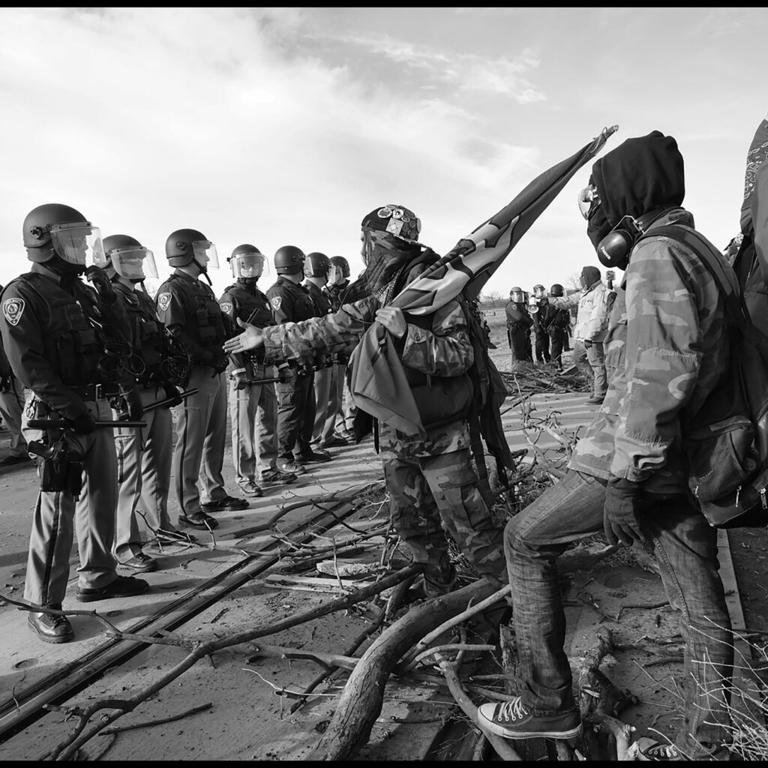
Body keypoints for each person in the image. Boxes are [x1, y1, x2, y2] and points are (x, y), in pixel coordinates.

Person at [475, 131, 734, 761]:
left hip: (636, 456)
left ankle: (547, 703)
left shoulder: (656, 254)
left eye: (598, 205)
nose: (595, 223)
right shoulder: (698, 247)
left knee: (524, 540)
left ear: (626, 201)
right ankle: (709, 744)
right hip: (680, 456)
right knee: (697, 597)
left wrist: (626, 479)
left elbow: (658, 373)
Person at [224, 203, 507, 597]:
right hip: (397, 433)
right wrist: (267, 339)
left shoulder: (436, 289)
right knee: (414, 528)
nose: (362, 251)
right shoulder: (385, 292)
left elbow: (460, 357)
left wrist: (408, 334)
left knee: (470, 528)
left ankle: (510, 602)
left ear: (383, 242)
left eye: (366, 241)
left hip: (440, 435)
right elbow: (331, 327)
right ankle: (439, 600)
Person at [0, 203, 149, 643]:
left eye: (83, 239)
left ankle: (99, 576)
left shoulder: (82, 292)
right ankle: (42, 604)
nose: (82, 248)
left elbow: (116, 342)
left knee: (102, 495)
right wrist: (71, 408)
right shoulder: (22, 294)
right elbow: (28, 364)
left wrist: (107, 294)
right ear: (44, 241)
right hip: (55, 414)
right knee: (57, 509)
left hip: (93, 406)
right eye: (72, 239)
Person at [103, 234, 189, 572]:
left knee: (159, 465)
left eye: (139, 258)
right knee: (128, 474)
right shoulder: (107, 298)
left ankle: (160, 525)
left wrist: (167, 382)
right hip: (131, 394)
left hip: (155, 390)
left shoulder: (140, 297)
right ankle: (125, 545)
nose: (137, 264)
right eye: (129, 258)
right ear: (111, 262)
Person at [155, 228, 248, 530]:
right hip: (195, 374)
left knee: (215, 436)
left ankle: (214, 493)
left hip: (215, 371)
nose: (206, 256)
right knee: (191, 442)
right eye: (201, 250)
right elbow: (174, 334)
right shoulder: (172, 290)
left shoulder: (202, 288)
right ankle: (189, 506)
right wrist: (206, 356)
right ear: (185, 251)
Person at [219, 244, 297, 495]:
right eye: (246, 264)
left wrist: (281, 364)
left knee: (268, 420)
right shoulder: (230, 298)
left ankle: (268, 468)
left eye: (256, 263)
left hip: (266, 365)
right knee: (243, 426)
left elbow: (271, 332)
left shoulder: (261, 298)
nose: (252, 268)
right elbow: (228, 336)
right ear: (236, 266)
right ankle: (245, 476)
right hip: (245, 369)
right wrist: (237, 370)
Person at [266, 245, 330, 475]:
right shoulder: (279, 293)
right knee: (290, 409)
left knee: (307, 407)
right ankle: (284, 456)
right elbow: (283, 329)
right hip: (291, 361)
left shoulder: (299, 291)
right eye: (302, 263)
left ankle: (303, 450)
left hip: (306, 359)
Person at [302, 252, 336, 459]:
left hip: (326, 354)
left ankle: (321, 437)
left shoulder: (320, 293)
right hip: (316, 356)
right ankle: (314, 442)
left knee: (325, 401)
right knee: (317, 403)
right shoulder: (309, 293)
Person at [318, 255, 352, 447]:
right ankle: (338, 425)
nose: (334, 274)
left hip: (352, 345)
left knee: (353, 389)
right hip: (335, 349)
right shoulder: (324, 293)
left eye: (338, 270)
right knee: (335, 393)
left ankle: (352, 422)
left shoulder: (352, 291)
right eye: (332, 270)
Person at [566, 265, 610, 404]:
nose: (580, 279)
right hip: (582, 337)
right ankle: (595, 386)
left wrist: (590, 337)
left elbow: (598, 316)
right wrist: (547, 300)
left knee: (597, 365)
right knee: (578, 359)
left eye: (582, 276)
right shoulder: (586, 292)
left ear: (589, 277)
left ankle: (601, 394)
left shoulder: (600, 292)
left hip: (592, 338)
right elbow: (567, 301)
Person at [0, 300, 31, 466]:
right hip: (4, 369)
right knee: (8, 412)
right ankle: (20, 447)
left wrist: (5, 372)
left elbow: (5, 343)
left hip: (6, 371)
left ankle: (25, 446)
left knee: (15, 410)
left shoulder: (5, 305)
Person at [542, 283, 571, 371]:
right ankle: (554, 366)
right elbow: (548, 318)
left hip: (559, 328)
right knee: (556, 348)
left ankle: (558, 364)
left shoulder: (556, 302)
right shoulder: (553, 304)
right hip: (555, 329)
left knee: (559, 348)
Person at [505, 287, 533, 365]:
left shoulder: (521, 305)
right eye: (517, 294)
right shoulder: (511, 305)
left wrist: (529, 320)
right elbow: (519, 317)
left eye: (520, 294)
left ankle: (528, 366)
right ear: (511, 295)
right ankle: (518, 367)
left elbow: (527, 315)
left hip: (523, 330)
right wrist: (528, 320)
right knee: (517, 352)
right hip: (515, 330)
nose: (519, 296)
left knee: (526, 350)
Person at [530, 284, 551, 364]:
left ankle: (547, 357)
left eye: (542, 290)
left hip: (545, 324)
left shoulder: (544, 300)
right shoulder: (533, 300)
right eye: (541, 290)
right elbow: (535, 314)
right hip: (539, 324)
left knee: (546, 342)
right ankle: (539, 359)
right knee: (539, 343)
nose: (542, 292)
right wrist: (537, 326)